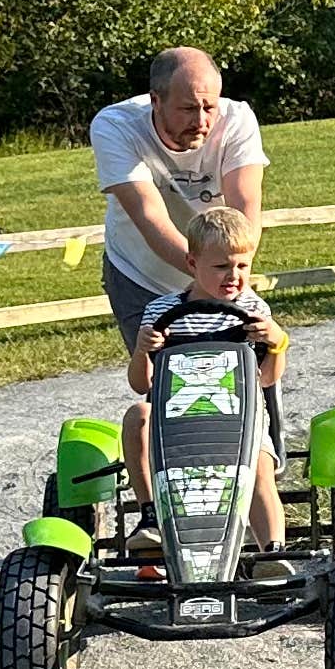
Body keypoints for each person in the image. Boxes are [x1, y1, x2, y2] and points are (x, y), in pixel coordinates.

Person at [123, 203, 288, 568]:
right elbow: (140, 384)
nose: (234, 275)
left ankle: (272, 554)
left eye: (243, 266)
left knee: (259, 466)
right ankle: (151, 519)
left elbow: (267, 378)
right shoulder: (160, 312)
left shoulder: (255, 310)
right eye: (221, 266)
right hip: (175, 420)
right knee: (138, 414)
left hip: (238, 417)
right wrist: (142, 351)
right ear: (193, 264)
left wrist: (277, 342)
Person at [91, 46, 269, 353]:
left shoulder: (237, 120)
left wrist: (235, 272)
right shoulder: (115, 126)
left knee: (238, 373)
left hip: (217, 268)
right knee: (162, 383)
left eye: (209, 107)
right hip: (140, 273)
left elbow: (244, 205)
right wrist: (210, 274)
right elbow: (150, 216)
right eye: (187, 109)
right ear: (156, 101)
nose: (201, 120)